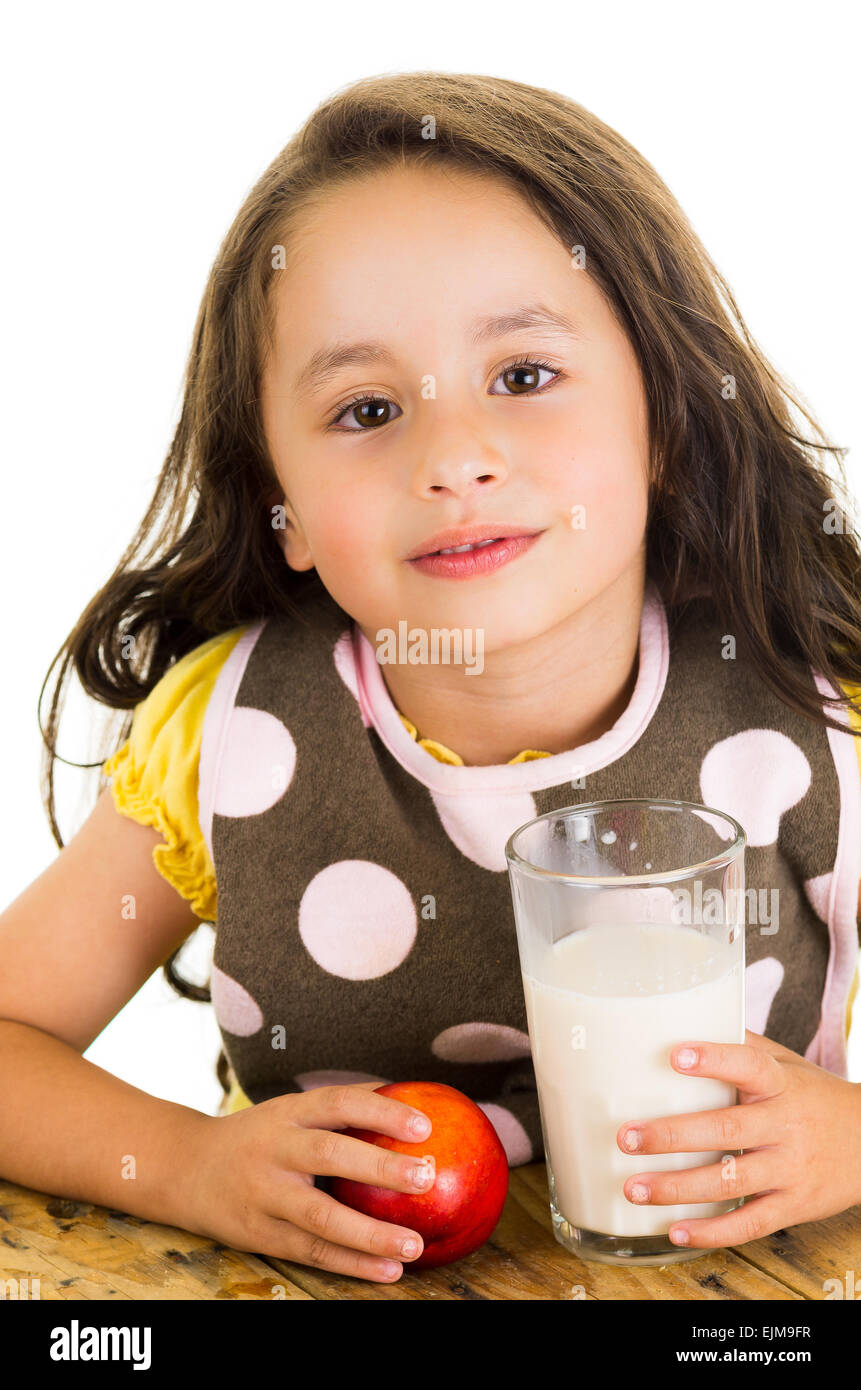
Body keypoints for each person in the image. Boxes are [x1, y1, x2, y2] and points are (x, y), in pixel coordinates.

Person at [2, 71, 861, 1287]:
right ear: (280, 506)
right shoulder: (230, 739)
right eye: (365, 408)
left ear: (664, 420)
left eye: (521, 374)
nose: (456, 457)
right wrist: (189, 1162)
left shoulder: (812, 720)